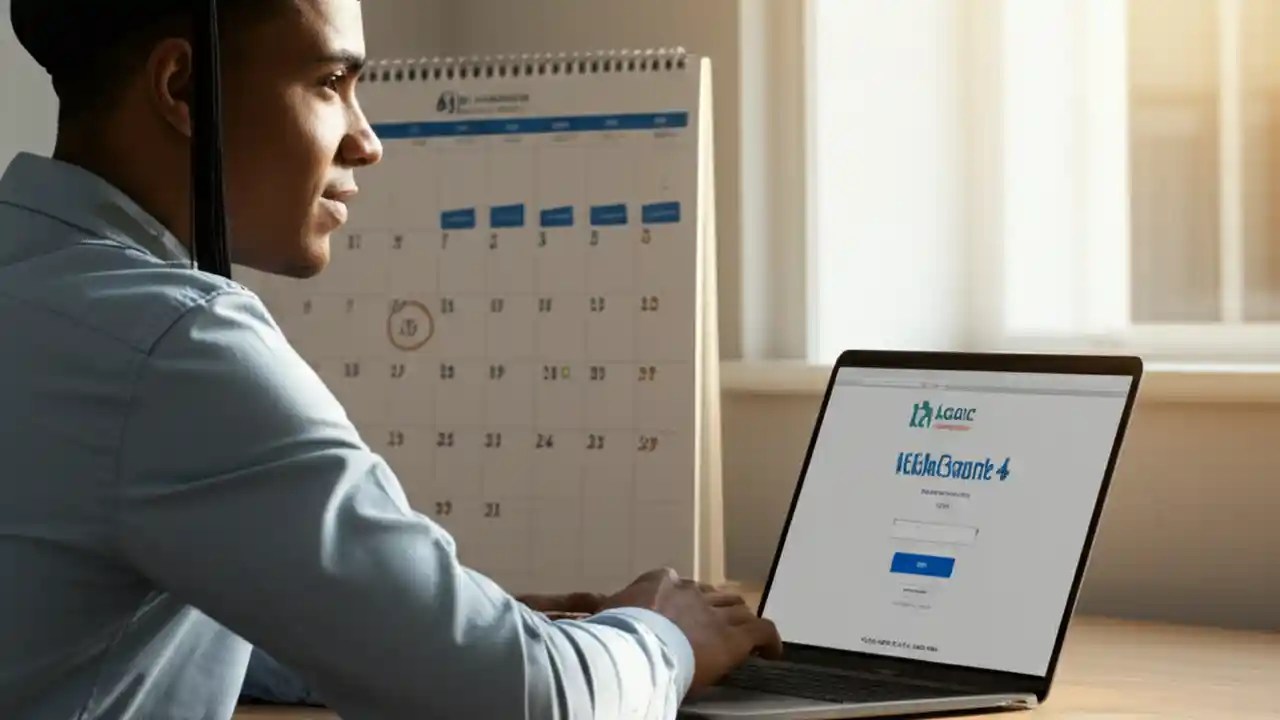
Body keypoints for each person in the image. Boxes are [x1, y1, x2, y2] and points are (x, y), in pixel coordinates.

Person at [0, 1, 782, 718]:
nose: (367, 142)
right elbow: (520, 703)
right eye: (330, 82)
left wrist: (406, 628)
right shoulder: (175, 343)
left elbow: (73, 623)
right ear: (183, 89)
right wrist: (664, 636)